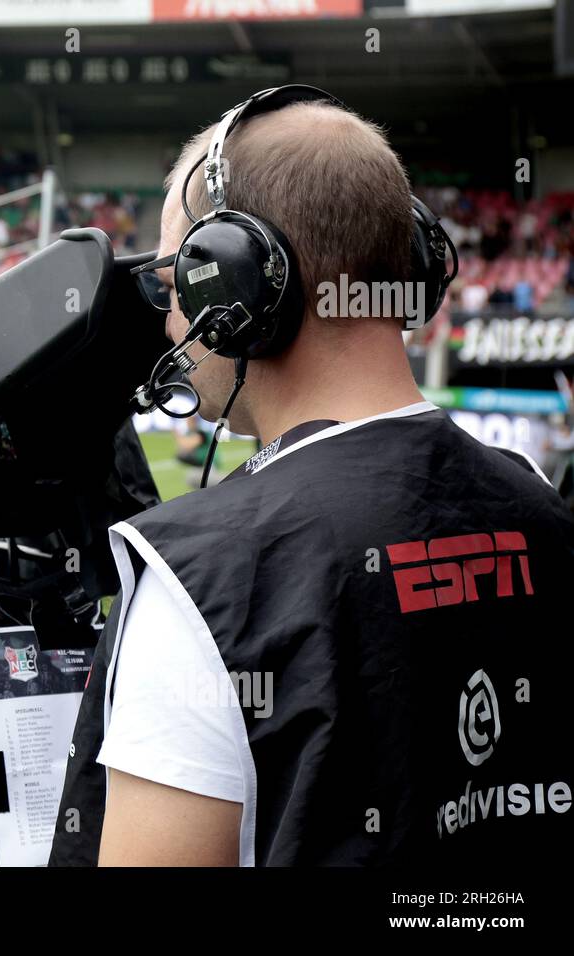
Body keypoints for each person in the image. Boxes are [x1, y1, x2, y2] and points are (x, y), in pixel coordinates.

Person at [51, 88, 574, 866]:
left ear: (236, 284)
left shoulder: (201, 583)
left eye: (176, 282)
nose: (170, 320)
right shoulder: (538, 499)